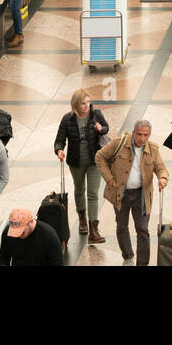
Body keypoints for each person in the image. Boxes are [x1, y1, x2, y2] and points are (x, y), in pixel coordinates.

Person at [94, 119, 169, 265]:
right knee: (122, 226)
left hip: (142, 196)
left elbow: (161, 168)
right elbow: (100, 157)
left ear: (149, 135)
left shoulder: (153, 149)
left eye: (146, 135)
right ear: (134, 132)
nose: (142, 138)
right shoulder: (119, 143)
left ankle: (142, 263)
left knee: (142, 229)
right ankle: (128, 256)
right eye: (139, 134)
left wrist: (163, 178)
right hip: (121, 194)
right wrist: (109, 178)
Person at [54, 89, 110, 245]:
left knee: (93, 193)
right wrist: (59, 150)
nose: (86, 106)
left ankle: (93, 229)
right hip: (76, 162)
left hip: (94, 161)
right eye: (82, 103)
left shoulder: (96, 115)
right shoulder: (68, 119)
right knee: (79, 190)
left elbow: (106, 128)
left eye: (88, 102)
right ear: (76, 105)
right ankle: (82, 219)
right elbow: (59, 139)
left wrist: (101, 129)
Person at [0, 208, 65, 266]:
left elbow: (57, 263)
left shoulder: (49, 236)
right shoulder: (8, 233)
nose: (18, 236)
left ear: (31, 222)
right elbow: (3, 258)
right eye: (14, 232)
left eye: (21, 232)